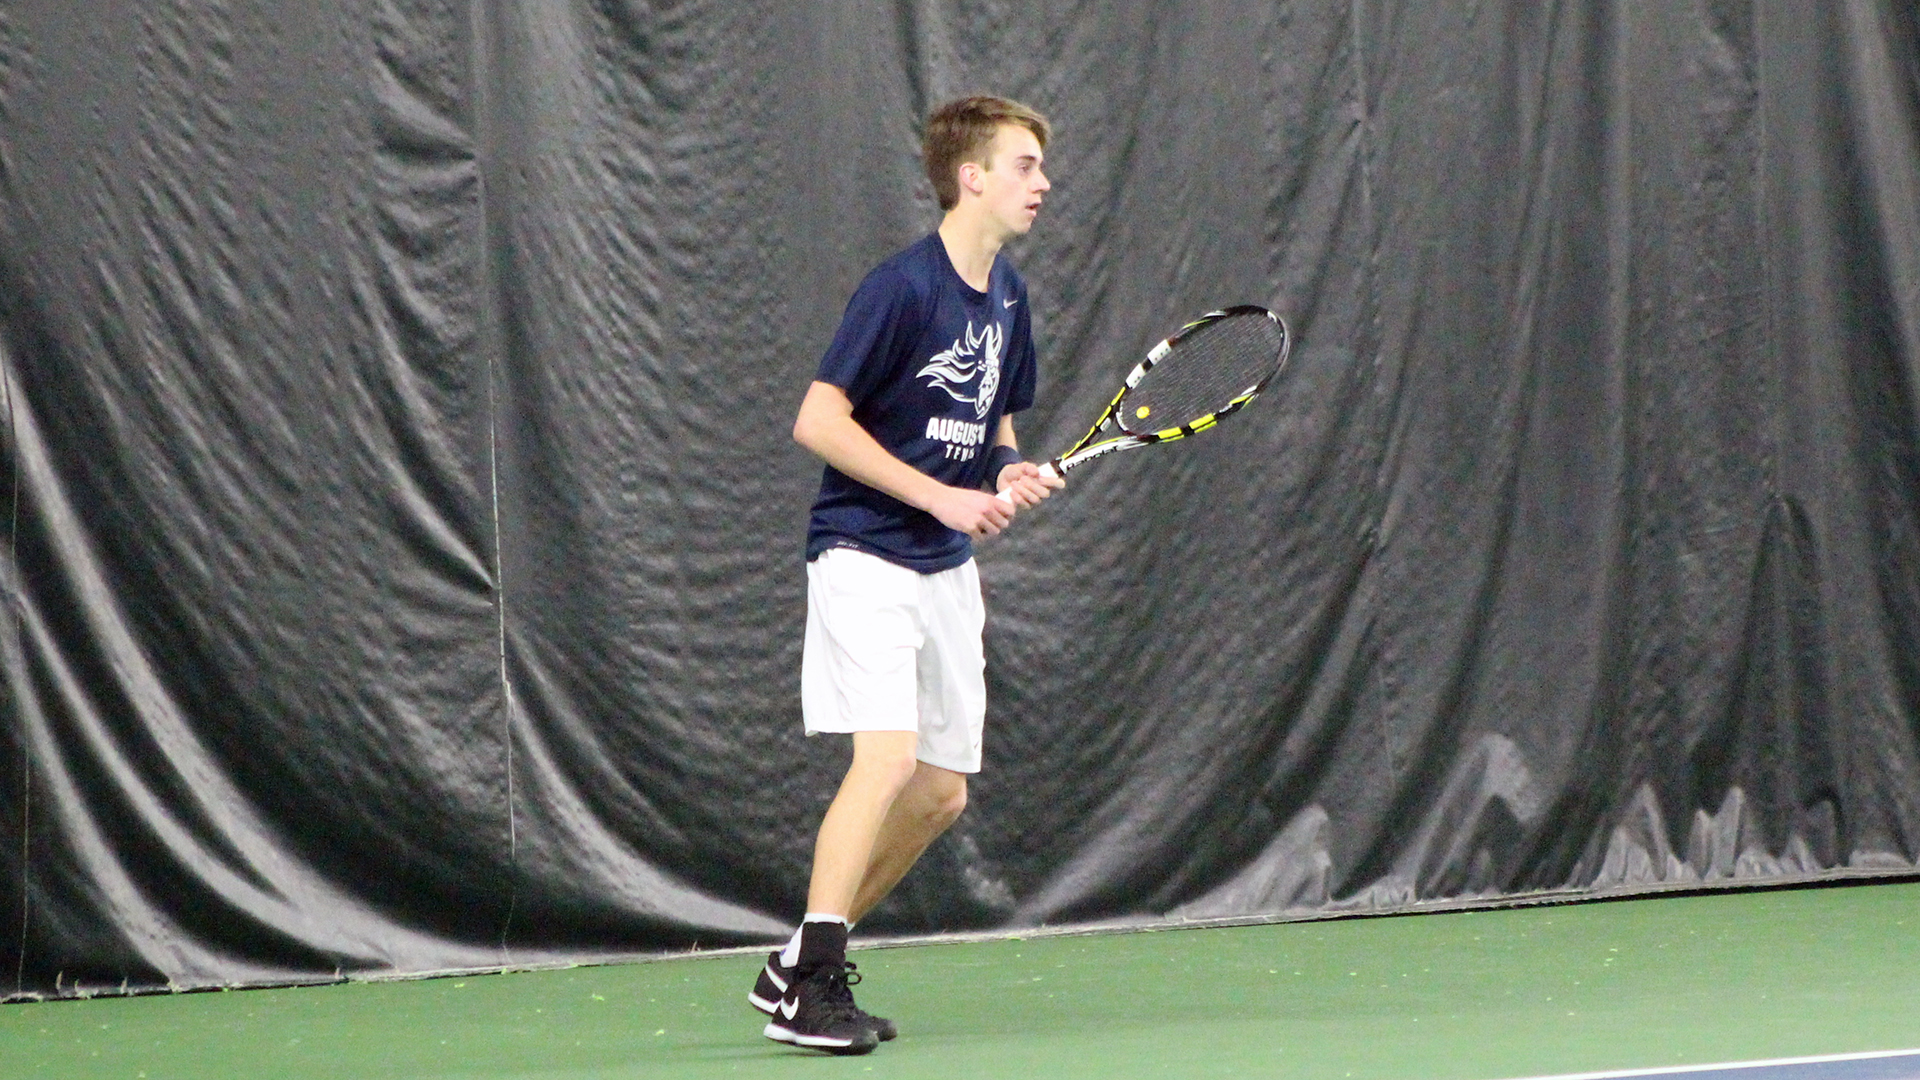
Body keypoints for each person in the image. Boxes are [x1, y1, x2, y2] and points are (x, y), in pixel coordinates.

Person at [750, 95, 1063, 1055]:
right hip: (863, 554)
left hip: (944, 569)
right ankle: (814, 992)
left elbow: (994, 432)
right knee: (884, 761)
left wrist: (1004, 471)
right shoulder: (901, 288)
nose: (1042, 183)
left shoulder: (1006, 299)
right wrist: (938, 496)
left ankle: (802, 957)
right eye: (1023, 165)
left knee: (939, 794)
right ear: (971, 177)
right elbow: (818, 421)